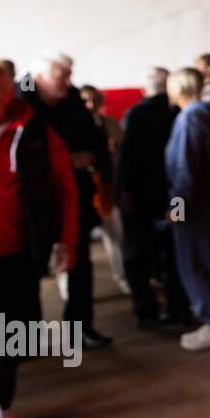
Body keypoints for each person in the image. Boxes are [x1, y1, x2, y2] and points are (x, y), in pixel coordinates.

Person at [0, 63, 78, 418]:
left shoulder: (36, 131)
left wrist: (66, 239)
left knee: (7, 336)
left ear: (11, 92)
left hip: (15, 253)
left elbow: (65, 187)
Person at [18, 51, 112, 348]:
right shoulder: (20, 104)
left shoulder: (72, 101)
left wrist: (93, 157)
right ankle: (26, 335)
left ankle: (80, 329)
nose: (68, 82)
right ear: (40, 78)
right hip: (31, 202)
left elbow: (98, 145)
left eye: (69, 76)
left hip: (74, 196)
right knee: (27, 270)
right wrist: (60, 162)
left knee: (80, 265)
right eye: (62, 77)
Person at [117, 68, 189, 328]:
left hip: (140, 197)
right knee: (174, 249)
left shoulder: (136, 113)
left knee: (136, 253)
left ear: (143, 88)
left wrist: (125, 192)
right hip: (176, 196)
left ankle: (145, 310)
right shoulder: (178, 112)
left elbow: (126, 158)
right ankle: (178, 307)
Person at [165, 68, 210, 351]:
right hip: (206, 203)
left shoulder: (190, 117)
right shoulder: (206, 112)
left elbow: (185, 170)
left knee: (195, 264)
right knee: (205, 261)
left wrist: (176, 207)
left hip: (193, 207)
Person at [80, 85, 127, 290]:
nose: (90, 105)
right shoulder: (74, 125)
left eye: (94, 100)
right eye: (85, 101)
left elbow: (124, 156)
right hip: (85, 188)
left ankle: (122, 275)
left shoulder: (111, 123)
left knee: (116, 233)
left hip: (108, 185)